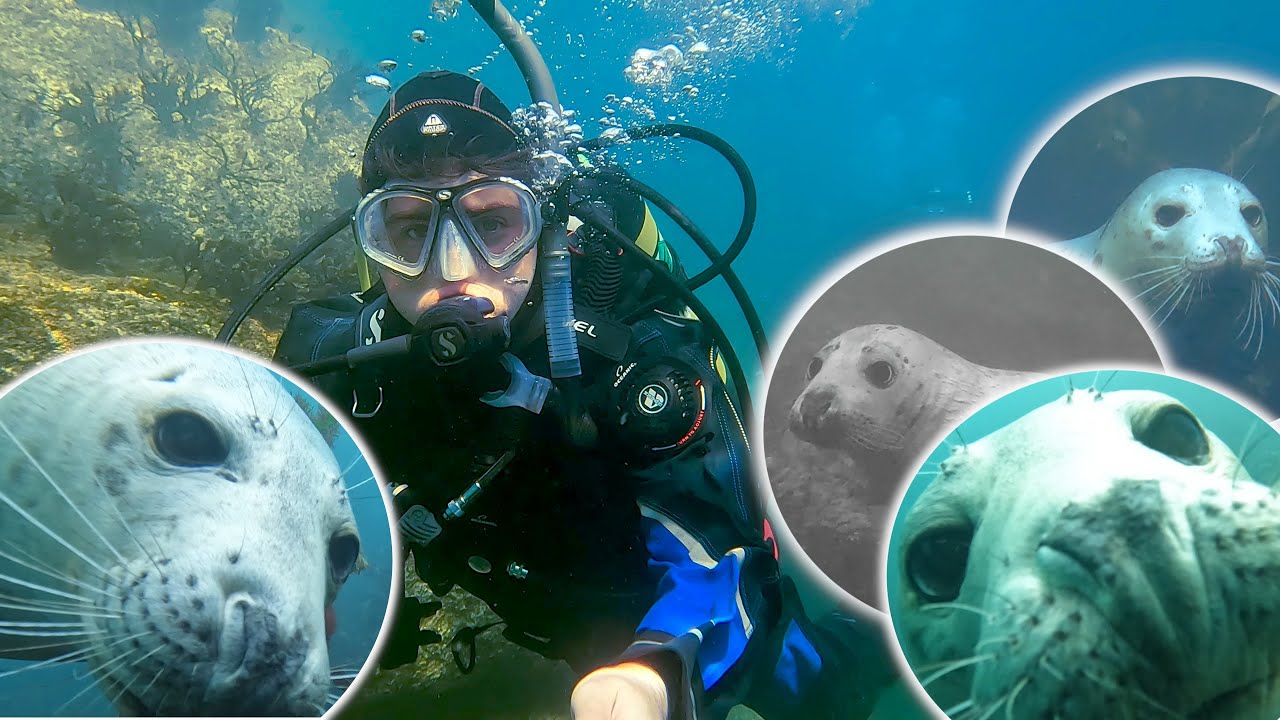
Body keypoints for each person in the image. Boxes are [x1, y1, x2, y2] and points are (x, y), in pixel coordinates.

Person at [274, 70, 891, 720]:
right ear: (371, 249)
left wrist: (655, 671)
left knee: (816, 692)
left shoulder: (637, 368)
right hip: (550, 618)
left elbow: (718, 558)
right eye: (407, 232)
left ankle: (878, 632)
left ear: (541, 229)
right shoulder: (335, 366)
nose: (453, 272)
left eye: (492, 224)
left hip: (652, 616)